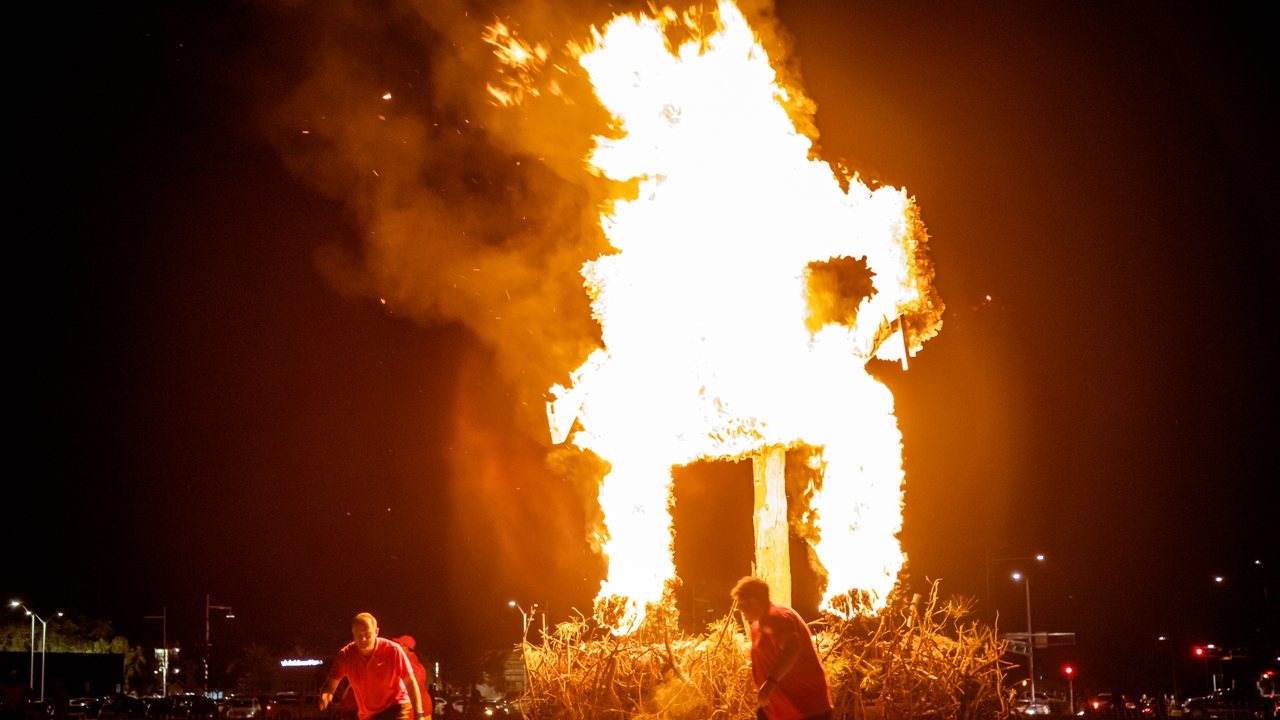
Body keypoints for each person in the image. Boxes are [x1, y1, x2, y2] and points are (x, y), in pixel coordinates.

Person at [731, 577, 833, 720]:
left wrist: (770, 683)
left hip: (806, 709)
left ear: (754, 602)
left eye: (741, 603)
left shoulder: (778, 618)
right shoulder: (757, 626)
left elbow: (792, 647)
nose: (739, 609)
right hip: (780, 710)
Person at [318, 614, 427, 720]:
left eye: (367, 634)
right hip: (368, 714)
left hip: (395, 705)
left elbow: (410, 682)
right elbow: (332, 680)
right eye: (358, 635)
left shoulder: (393, 650)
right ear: (353, 632)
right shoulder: (346, 655)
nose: (363, 639)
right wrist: (327, 692)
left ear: (376, 632)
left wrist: (419, 714)